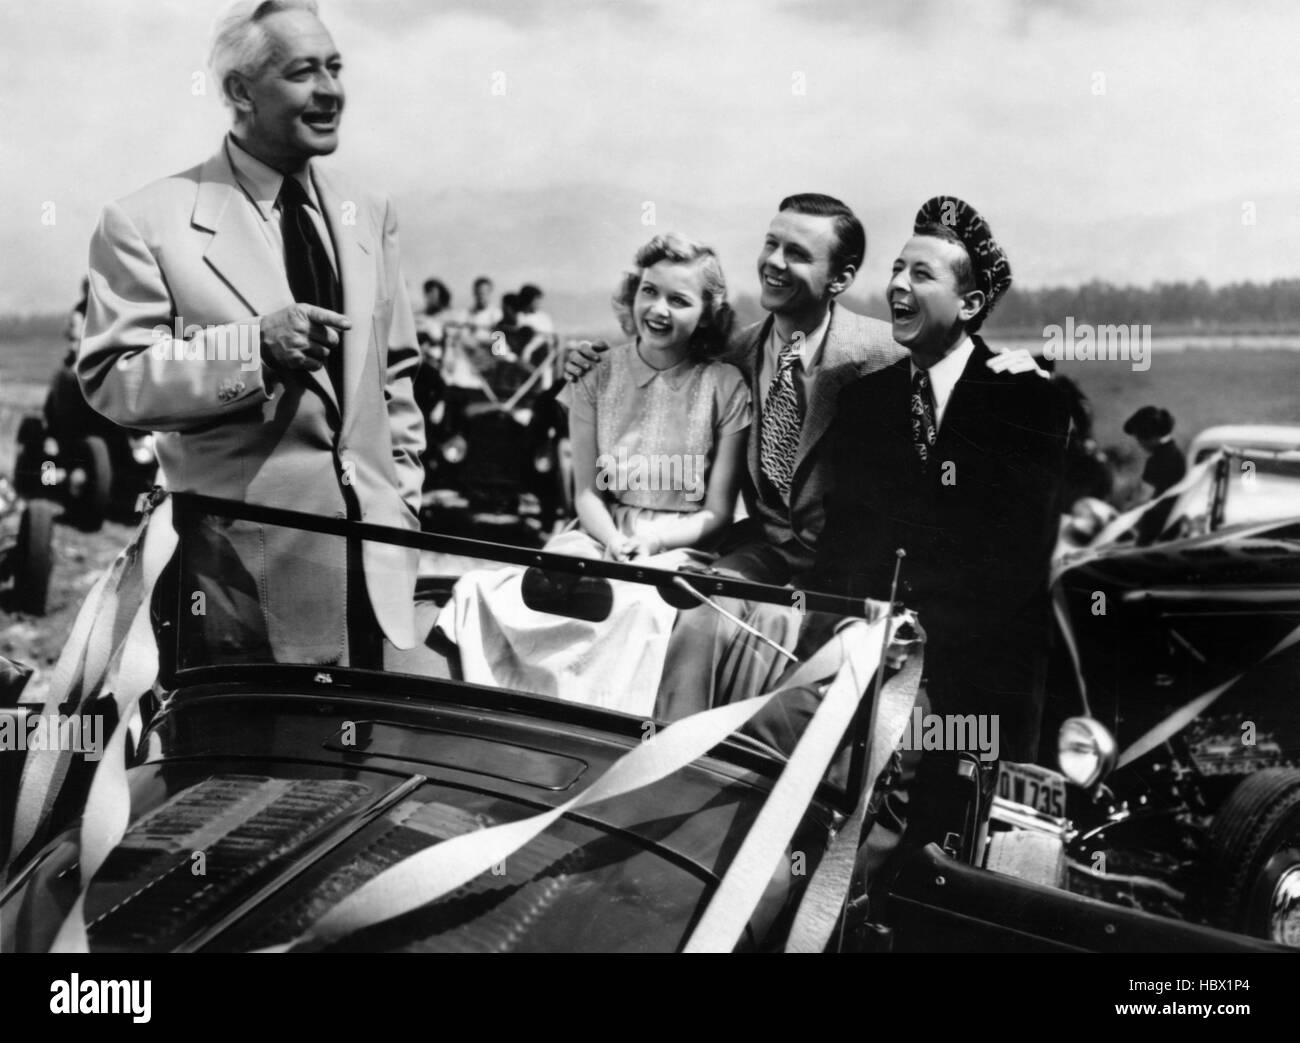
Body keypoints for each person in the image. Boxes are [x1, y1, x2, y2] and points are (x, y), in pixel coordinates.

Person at [77, 0, 424, 667]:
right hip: (236, 577)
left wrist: (400, 502)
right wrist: (253, 348)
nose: (330, 91)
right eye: (302, 73)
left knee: (369, 761)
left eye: (335, 67)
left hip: (374, 569)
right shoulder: (145, 221)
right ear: (240, 91)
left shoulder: (368, 212)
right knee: (255, 767)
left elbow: (396, 376)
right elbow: (114, 377)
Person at [436, 233, 750, 716]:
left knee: (644, 609)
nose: (658, 309)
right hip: (597, 531)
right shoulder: (595, 374)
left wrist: (651, 544)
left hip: (677, 543)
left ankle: (610, 729)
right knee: (517, 593)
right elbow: (584, 492)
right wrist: (613, 542)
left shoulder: (725, 387)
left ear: (708, 311)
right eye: (649, 290)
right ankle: (525, 716)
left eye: (679, 300)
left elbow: (718, 511)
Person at [811, 196, 1069, 764]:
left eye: (921, 274)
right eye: (897, 269)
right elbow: (844, 542)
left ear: (970, 302)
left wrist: (920, 658)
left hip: (978, 686)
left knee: (951, 843)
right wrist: (840, 644)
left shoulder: (1029, 405)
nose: (898, 285)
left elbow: (1018, 565)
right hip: (865, 671)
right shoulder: (863, 404)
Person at [1124, 405, 1186, 499]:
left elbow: (1142, 499)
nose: (1139, 443)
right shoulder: (1175, 452)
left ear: (1151, 437)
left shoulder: (1157, 461)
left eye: (1139, 438)